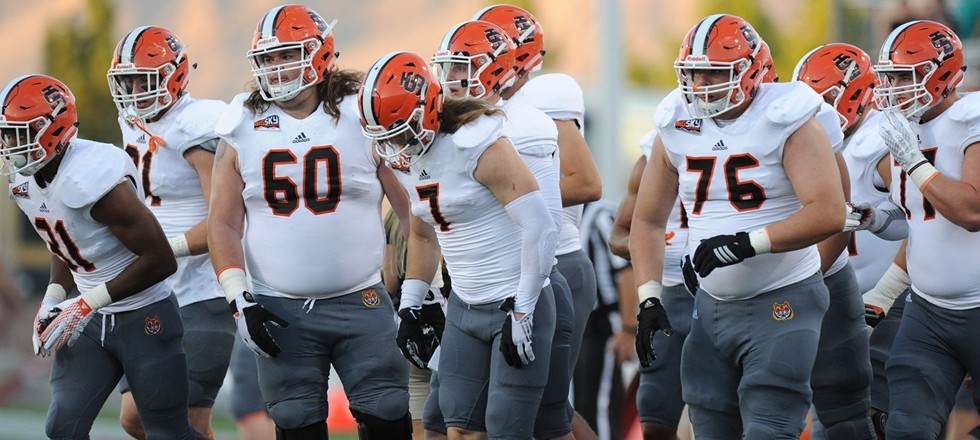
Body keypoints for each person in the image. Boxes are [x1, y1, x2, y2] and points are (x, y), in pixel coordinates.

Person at [630, 14, 846, 438]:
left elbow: (829, 211)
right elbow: (648, 220)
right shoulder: (675, 122)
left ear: (751, 70)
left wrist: (748, 243)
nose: (701, 84)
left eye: (714, 72)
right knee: (710, 425)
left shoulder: (787, 116)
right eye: (693, 72)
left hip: (783, 298)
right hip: (710, 306)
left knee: (769, 428)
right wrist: (649, 298)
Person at [207, 5, 411, 439]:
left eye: (287, 55)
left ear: (320, 54)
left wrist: (422, 288)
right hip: (278, 306)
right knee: (295, 420)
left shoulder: (363, 111)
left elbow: (409, 208)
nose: (277, 68)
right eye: (268, 58)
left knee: (388, 412)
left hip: (361, 297)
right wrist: (238, 297)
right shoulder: (241, 122)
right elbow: (222, 224)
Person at [359, 50, 558, 440]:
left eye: (399, 130)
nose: (394, 144)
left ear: (427, 110)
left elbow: (541, 227)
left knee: (508, 430)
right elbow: (422, 234)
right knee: (459, 430)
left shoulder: (477, 144)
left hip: (515, 300)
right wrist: (411, 304)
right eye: (384, 136)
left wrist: (523, 309)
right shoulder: (407, 158)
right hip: (464, 308)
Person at [1, 74, 197, 439]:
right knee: (63, 427)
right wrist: (53, 299)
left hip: (143, 312)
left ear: (51, 128)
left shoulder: (92, 176)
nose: (10, 145)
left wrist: (86, 302)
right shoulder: (24, 179)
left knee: (167, 433)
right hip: (89, 321)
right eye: (6, 134)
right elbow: (66, 240)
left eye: (19, 133)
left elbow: (160, 259)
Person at [431, 19, 574, 440]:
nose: (451, 78)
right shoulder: (454, 128)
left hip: (529, 281)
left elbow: (545, 223)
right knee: (451, 420)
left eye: (462, 67)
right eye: (447, 67)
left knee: (540, 424)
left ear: (493, 69)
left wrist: (524, 305)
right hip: (471, 293)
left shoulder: (523, 125)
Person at [472, 7, 603, 438]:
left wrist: (507, 197)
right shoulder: (487, 106)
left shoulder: (544, 97)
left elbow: (586, 181)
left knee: (548, 410)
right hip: (504, 269)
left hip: (556, 261)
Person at [105, 25, 235, 440]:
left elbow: (223, 221)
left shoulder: (197, 124)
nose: (133, 91)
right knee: (134, 418)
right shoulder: (131, 120)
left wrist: (161, 250)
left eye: (143, 80)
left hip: (201, 292)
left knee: (183, 423)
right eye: (127, 81)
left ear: (173, 76)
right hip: (156, 291)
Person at [872, 20, 980, 438]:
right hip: (929, 312)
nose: (895, 88)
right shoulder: (906, 127)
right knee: (907, 427)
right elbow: (922, 224)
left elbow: (971, 211)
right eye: (890, 78)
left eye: (905, 77)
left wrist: (915, 161)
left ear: (943, 73)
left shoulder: (970, 117)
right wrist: (875, 219)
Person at [573, 200, 632, 440]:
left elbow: (626, 269)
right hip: (579, 326)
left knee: (599, 407)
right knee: (581, 404)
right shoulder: (563, 212)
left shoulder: (600, 214)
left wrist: (628, 329)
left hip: (604, 323)